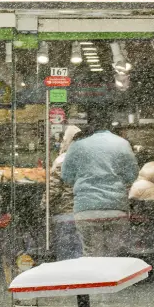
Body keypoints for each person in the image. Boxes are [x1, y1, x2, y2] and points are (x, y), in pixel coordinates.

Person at [61, 104, 139, 257]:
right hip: (116, 208)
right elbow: (132, 175)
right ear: (110, 122)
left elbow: (66, 176)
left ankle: (96, 280)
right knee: (115, 258)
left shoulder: (78, 144)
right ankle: (112, 280)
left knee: (92, 257)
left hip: (86, 209)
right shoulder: (121, 143)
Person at [41, 126, 82, 259]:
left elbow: (53, 189)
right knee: (81, 255)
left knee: (66, 258)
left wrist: (43, 205)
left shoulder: (63, 160)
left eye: (64, 139)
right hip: (85, 213)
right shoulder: (88, 159)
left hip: (65, 214)